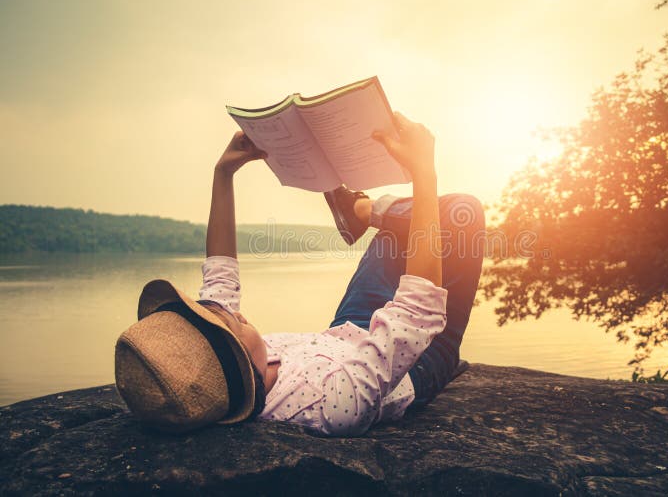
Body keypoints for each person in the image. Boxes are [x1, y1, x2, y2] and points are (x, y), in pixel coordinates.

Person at [114, 112, 485, 435]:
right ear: (241, 366)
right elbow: (416, 315)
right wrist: (423, 171)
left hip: (351, 327)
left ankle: (364, 212)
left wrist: (223, 173)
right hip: (419, 359)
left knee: (402, 232)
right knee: (462, 213)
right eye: (234, 323)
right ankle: (363, 210)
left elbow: (220, 274)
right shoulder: (331, 404)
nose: (238, 314)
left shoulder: (228, 367)